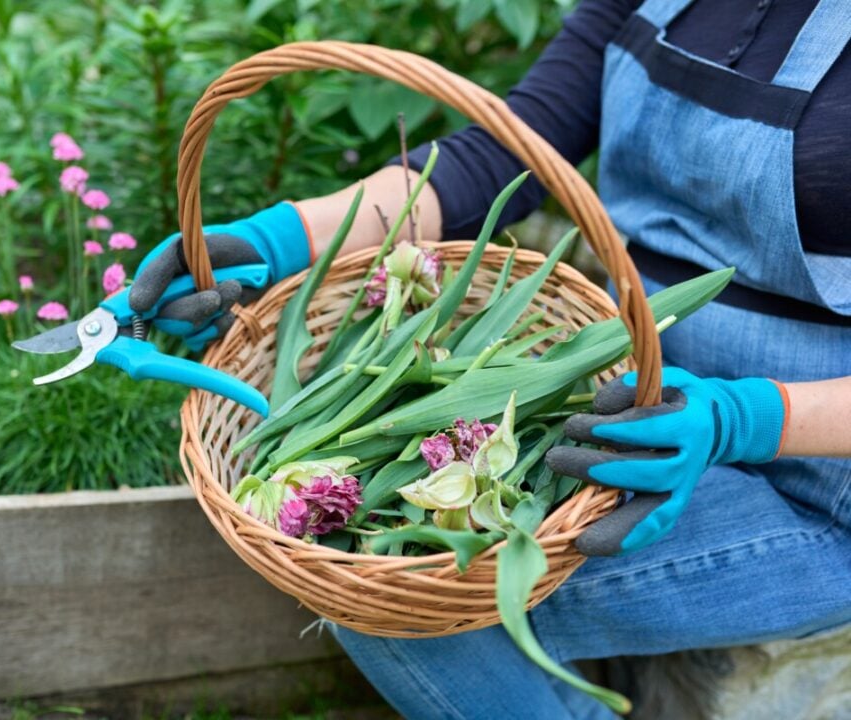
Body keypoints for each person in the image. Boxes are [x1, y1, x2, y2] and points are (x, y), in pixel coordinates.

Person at [130, 0, 851, 716]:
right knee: (383, 573)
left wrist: (744, 418)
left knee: (402, 599)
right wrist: (286, 239)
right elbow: (512, 149)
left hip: (817, 478)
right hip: (622, 404)